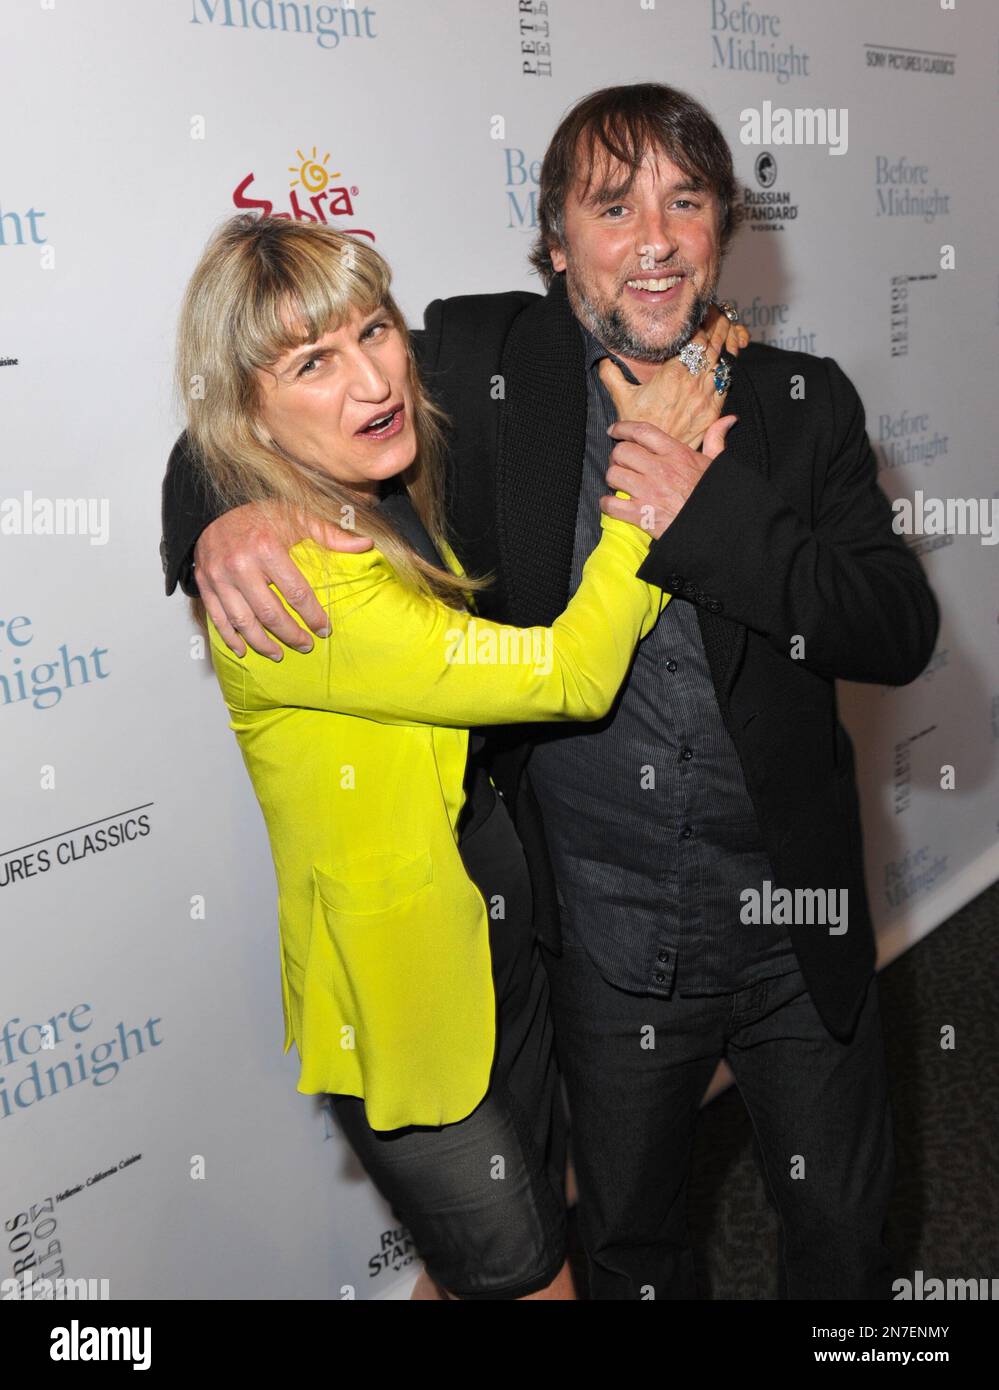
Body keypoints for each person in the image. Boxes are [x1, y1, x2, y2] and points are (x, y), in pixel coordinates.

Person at [163, 83, 940, 1301]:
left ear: (725, 226)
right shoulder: (482, 365)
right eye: (613, 204)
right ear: (556, 236)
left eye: (686, 202)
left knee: (842, 1238)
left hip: (798, 927)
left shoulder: (804, 404)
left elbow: (897, 629)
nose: (654, 238)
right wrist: (223, 519)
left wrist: (708, 509)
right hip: (601, 938)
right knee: (629, 1246)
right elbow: (265, 386)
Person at [170, 212, 741, 1301]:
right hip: (415, 1012)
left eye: (375, 331)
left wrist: (708, 339)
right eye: (312, 362)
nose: (373, 377)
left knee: (488, 1257)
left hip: (493, 963)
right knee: (532, 1276)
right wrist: (646, 498)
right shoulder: (309, 586)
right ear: (251, 408)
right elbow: (572, 674)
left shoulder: (370, 488)